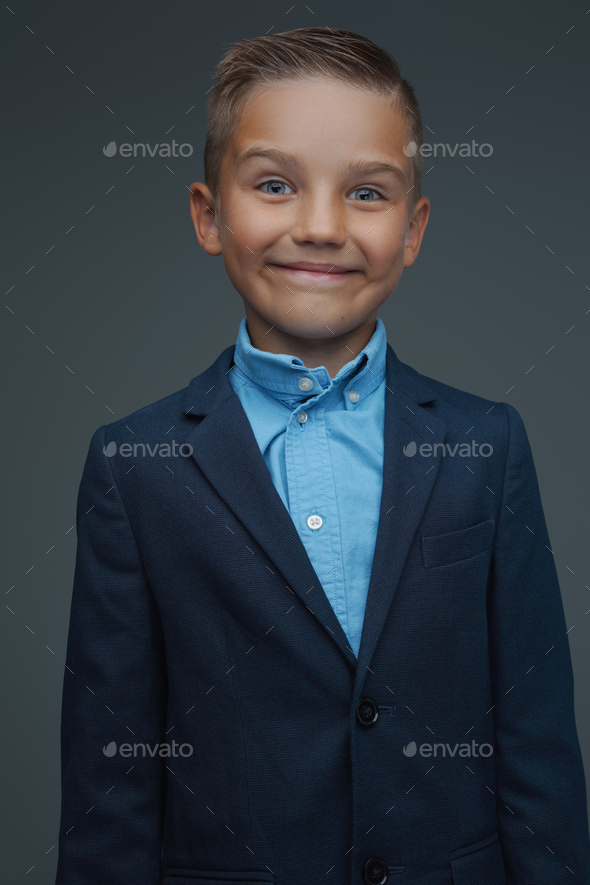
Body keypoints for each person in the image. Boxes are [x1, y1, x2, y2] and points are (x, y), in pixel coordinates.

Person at [55, 26, 590, 885]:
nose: (320, 226)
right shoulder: (135, 466)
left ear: (413, 230)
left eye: (367, 193)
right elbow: (108, 790)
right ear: (208, 214)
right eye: (275, 184)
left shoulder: (487, 444)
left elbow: (536, 746)